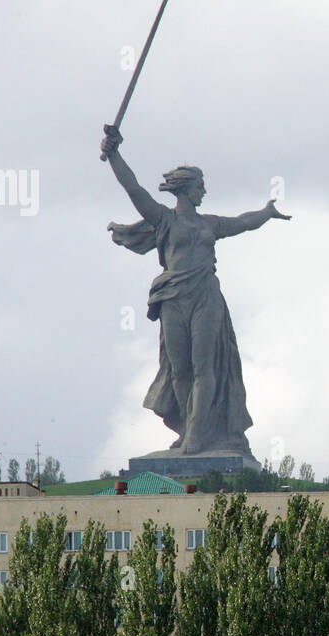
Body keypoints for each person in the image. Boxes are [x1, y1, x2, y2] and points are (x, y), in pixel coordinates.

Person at [101, 126, 289, 456]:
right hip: (173, 297)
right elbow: (134, 189)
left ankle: (197, 435)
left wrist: (266, 212)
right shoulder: (164, 219)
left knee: (205, 367)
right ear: (187, 189)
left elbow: (243, 222)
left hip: (205, 297)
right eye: (201, 186)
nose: (205, 191)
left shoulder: (209, 225)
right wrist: (114, 154)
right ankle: (189, 425)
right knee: (180, 369)